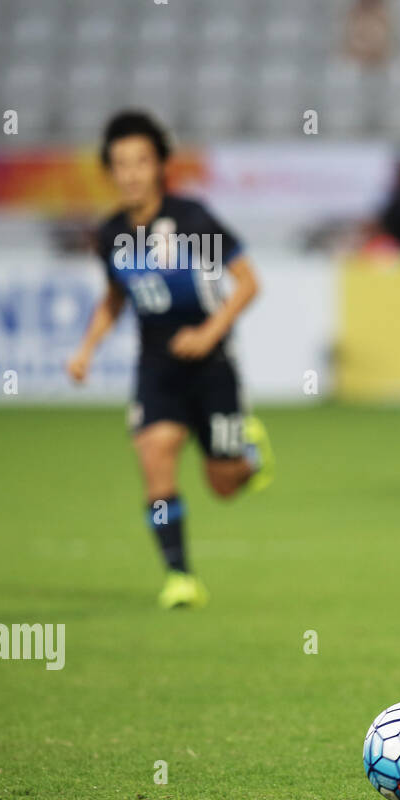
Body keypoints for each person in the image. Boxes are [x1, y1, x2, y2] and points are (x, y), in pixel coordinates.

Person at [66, 110, 273, 609]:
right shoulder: (112, 233)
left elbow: (248, 282)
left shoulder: (192, 219)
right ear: (110, 172)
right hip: (156, 368)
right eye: (121, 164)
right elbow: (116, 297)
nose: (132, 173)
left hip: (212, 366)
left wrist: (208, 332)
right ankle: (179, 575)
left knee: (224, 484)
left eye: (142, 161)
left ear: (160, 166)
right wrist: (87, 348)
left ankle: (249, 454)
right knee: (155, 457)